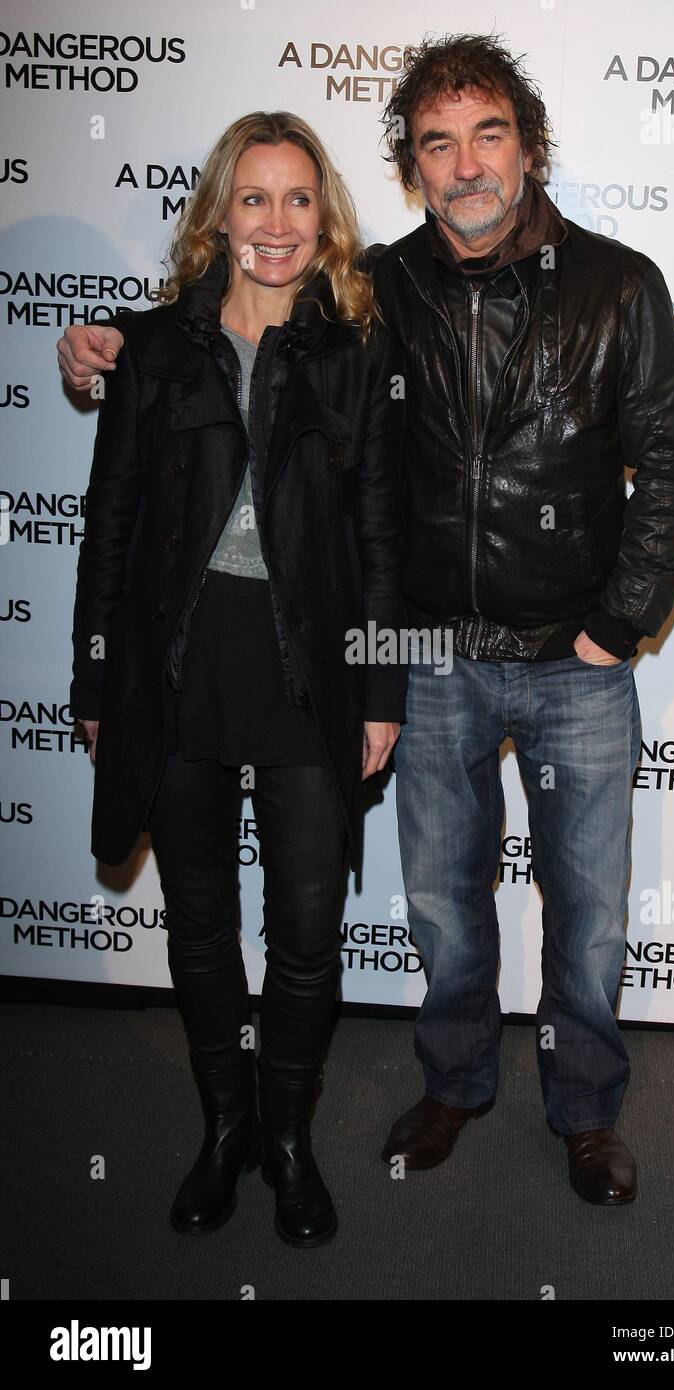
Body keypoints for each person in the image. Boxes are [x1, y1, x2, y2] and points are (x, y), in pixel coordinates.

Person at [59, 33, 674, 1208]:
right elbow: (233, 322)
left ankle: (587, 1113)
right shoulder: (380, 293)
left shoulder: (620, 284)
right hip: (426, 653)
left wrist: (619, 624)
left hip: (575, 662)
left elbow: (669, 460)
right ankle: (455, 1083)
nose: (465, 165)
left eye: (487, 134)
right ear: (413, 167)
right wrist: (107, 343)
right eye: (436, 143)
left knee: (594, 911)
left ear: (530, 145)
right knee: (443, 904)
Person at [63, 110, 406, 1247]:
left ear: (326, 217)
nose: (274, 222)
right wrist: (96, 684)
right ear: (219, 213)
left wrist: (385, 692)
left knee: (308, 927)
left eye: (296, 199)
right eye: (252, 198)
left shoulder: (356, 354)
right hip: (179, 663)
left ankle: (290, 1137)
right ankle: (225, 1129)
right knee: (201, 920)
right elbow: (109, 530)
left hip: (309, 664)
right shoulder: (157, 350)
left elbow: (381, 544)